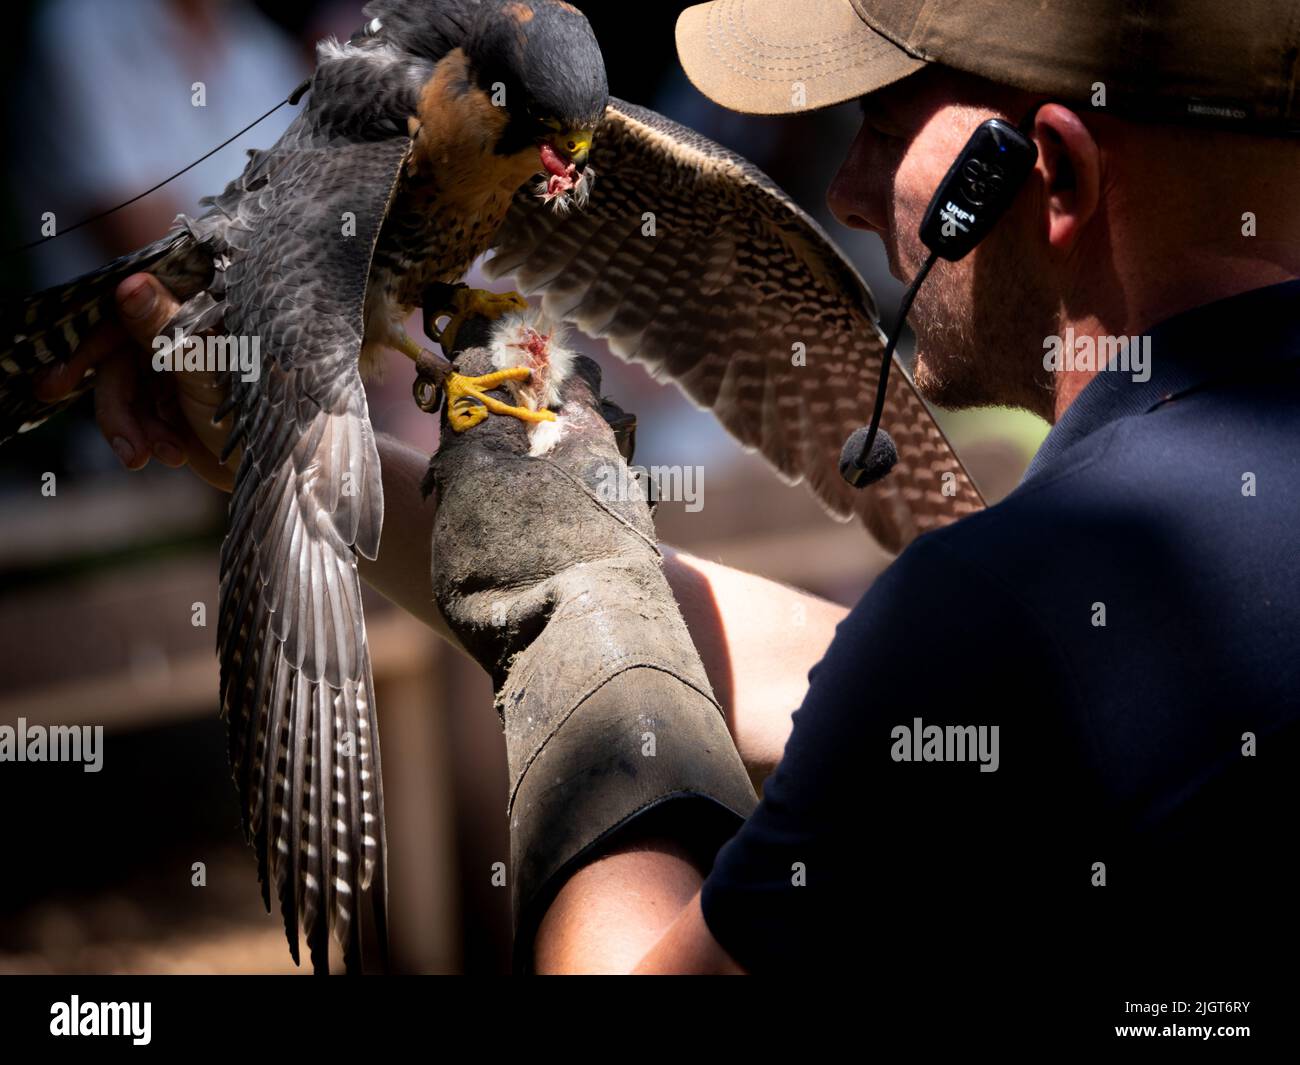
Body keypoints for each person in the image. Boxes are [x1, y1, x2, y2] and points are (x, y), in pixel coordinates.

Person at [35, 0, 1300, 987]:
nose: (847, 192)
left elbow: (945, 670)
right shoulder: (1119, 593)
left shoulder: (1011, 617)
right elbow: (878, 679)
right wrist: (394, 500)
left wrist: (562, 607)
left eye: (878, 130)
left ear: (1049, 175)